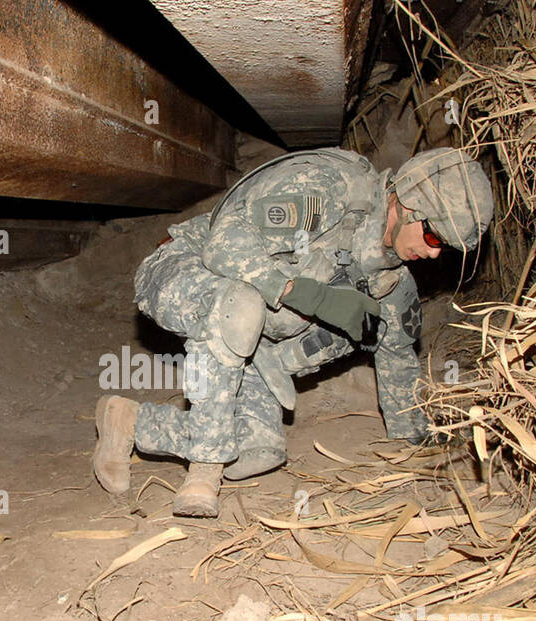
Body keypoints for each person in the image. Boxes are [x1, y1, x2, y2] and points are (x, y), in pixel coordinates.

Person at [93, 146, 493, 517]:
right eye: (433, 236)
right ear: (406, 205)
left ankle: (130, 422)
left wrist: (416, 442)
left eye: (446, 248)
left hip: (255, 348)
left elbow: (398, 361)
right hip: (187, 268)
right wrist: (304, 295)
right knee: (241, 308)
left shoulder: (389, 284)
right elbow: (224, 246)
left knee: (258, 451)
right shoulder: (330, 188)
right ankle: (204, 470)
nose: (435, 252)